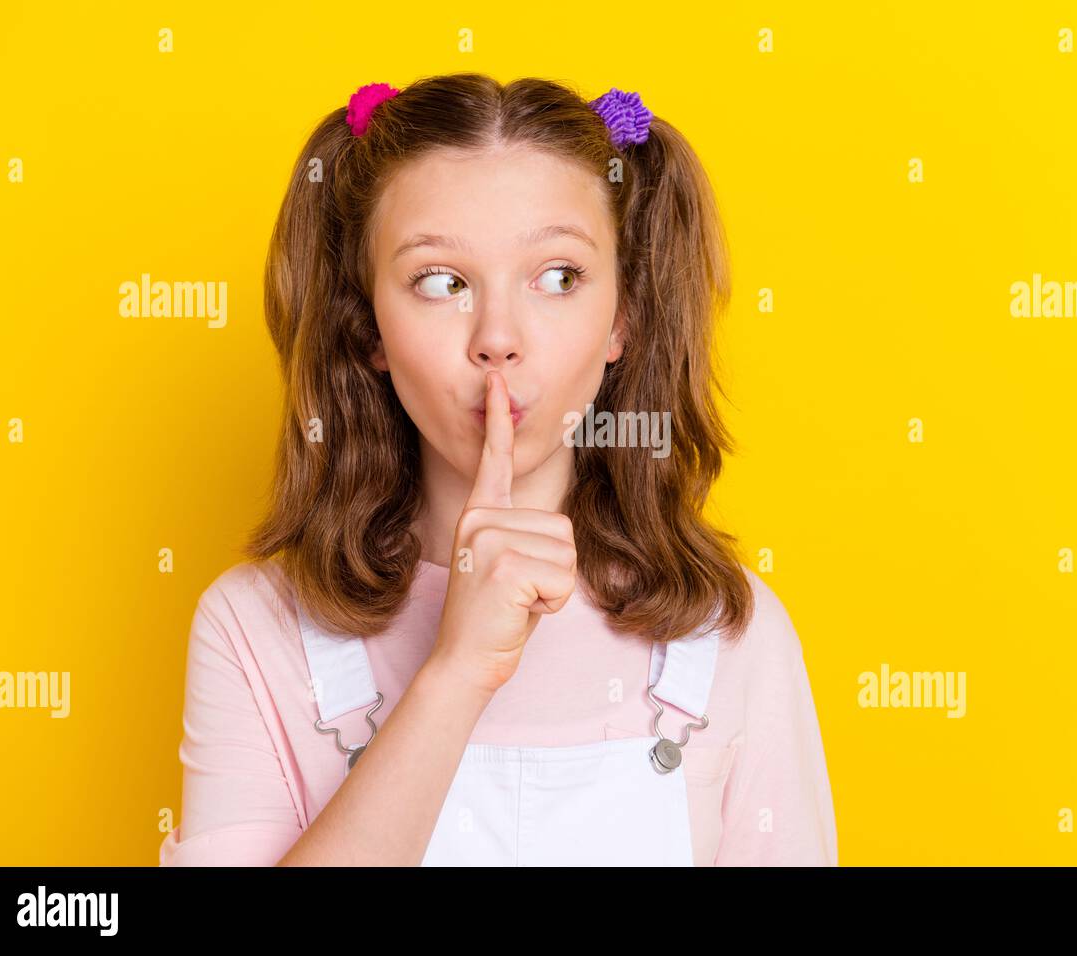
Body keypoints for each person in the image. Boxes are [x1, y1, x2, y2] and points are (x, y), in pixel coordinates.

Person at [158, 73, 837, 866]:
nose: (498, 338)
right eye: (441, 283)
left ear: (622, 318)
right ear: (368, 326)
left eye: (558, 277)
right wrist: (456, 673)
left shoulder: (729, 633)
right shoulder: (254, 630)